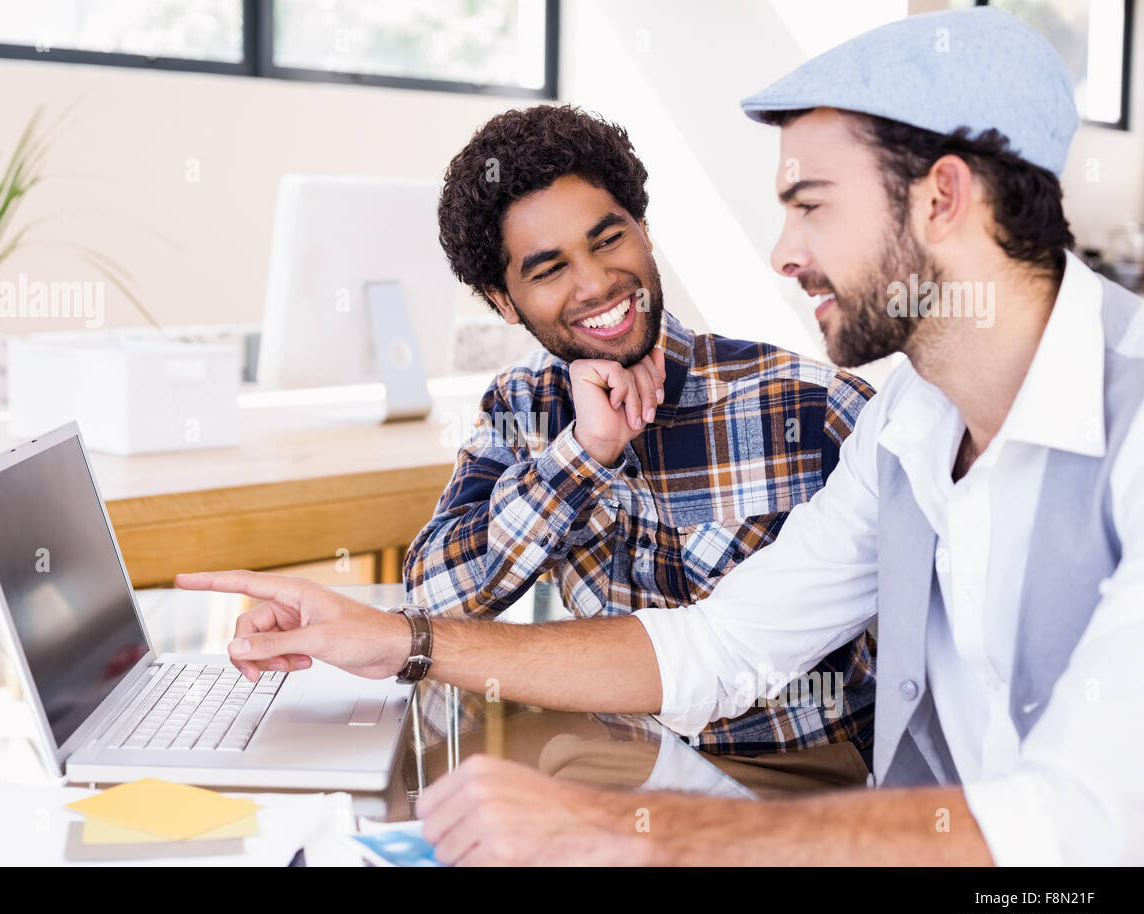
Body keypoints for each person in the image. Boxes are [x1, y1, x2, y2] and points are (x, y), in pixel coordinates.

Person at [177, 7, 1144, 865]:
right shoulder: (911, 421)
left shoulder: (1112, 425)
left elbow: (1080, 834)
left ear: (940, 198)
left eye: (809, 204)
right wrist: (401, 637)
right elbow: (721, 647)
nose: (782, 253)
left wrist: (644, 839)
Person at [403, 104, 876, 780]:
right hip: (625, 757)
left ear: (645, 232)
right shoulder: (523, 409)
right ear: (503, 302)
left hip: (802, 772)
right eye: (548, 270)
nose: (595, 283)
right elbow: (433, 600)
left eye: (607, 240)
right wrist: (580, 457)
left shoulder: (809, 402)